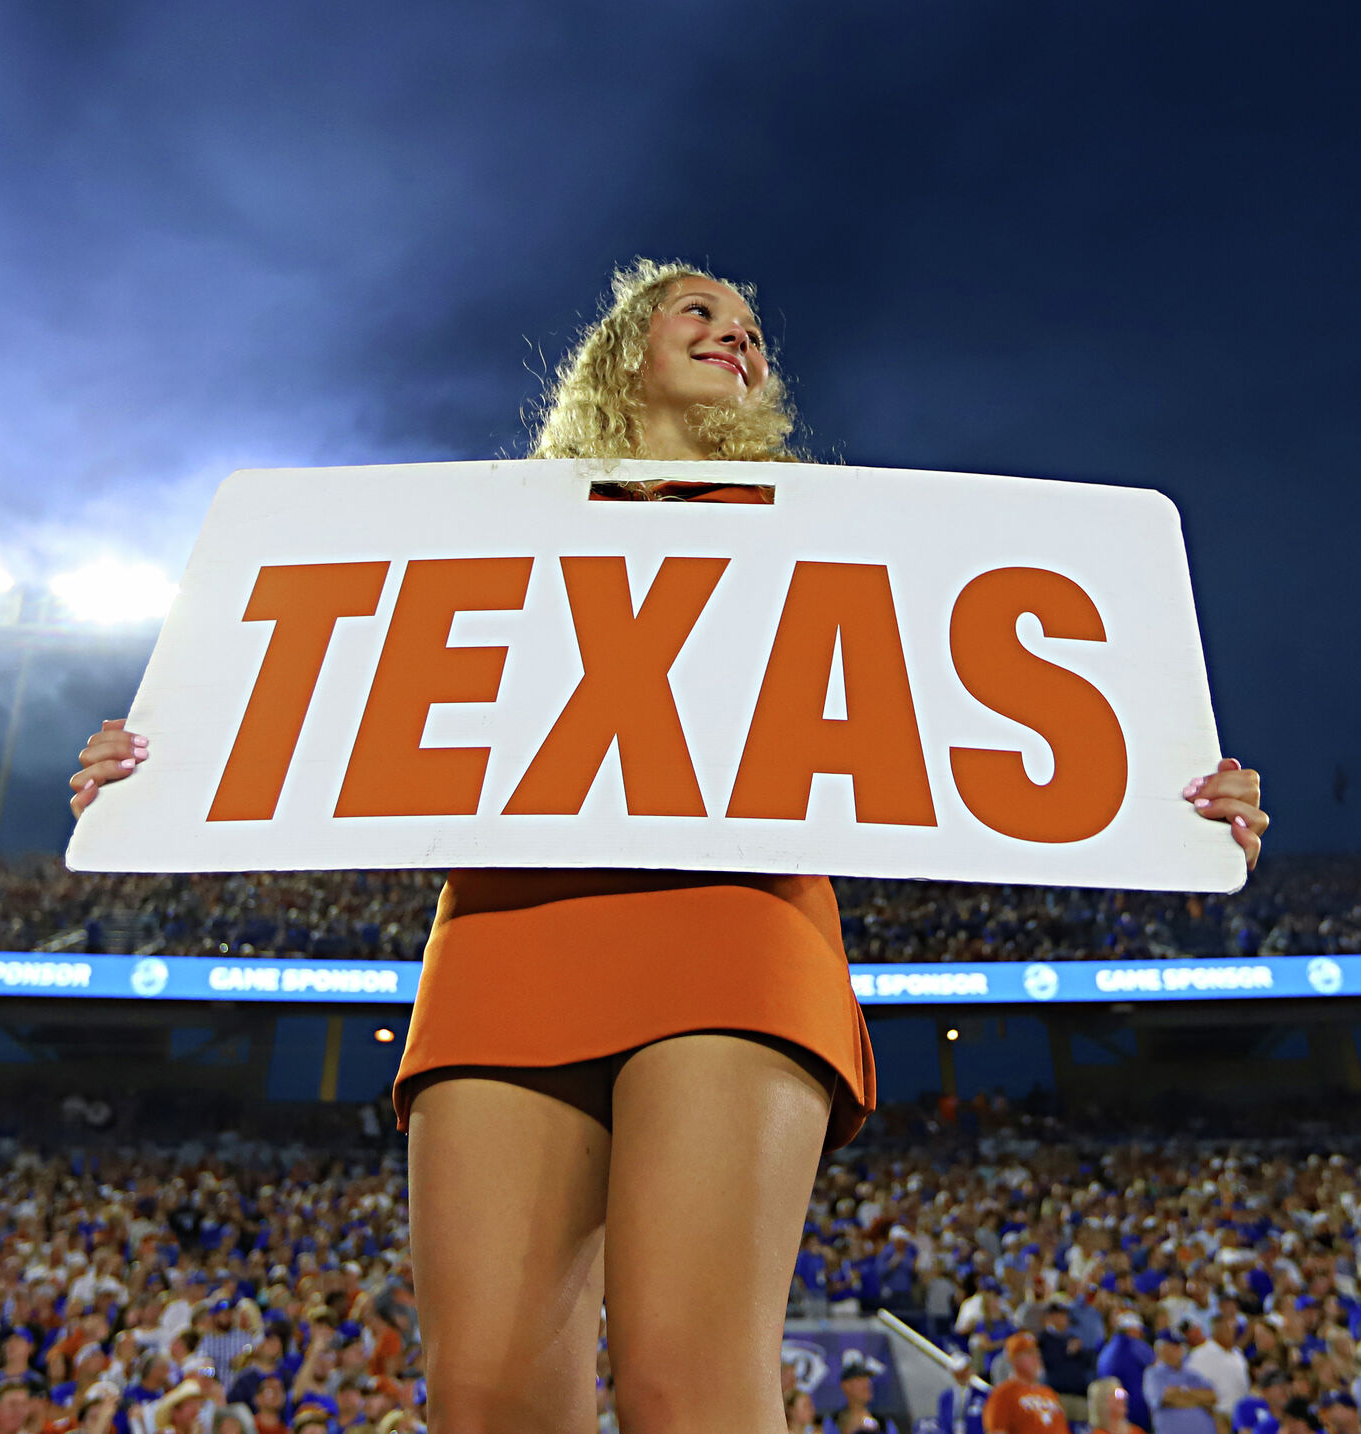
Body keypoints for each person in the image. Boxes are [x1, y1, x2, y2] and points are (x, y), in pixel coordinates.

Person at [67, 260, 1271, 1434]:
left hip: (735, 927)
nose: (735, 335)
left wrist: (1172, 791)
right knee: (481, 1395)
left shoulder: (844, 537)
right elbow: (329, 710)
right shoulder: (492, 536)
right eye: (699, 312)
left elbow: (1010, 727)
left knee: (681, 1390)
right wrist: (166, 764)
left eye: (750, 327)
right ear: (621, 351)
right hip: (506, 935)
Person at [985, 1333, 1068, 1433]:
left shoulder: (1049, 1393)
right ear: (1014, 1359)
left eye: (1037, 1352)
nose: (1036, 1358)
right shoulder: (1003, 1394)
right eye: (1029, 1353)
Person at [1144, 1331, 1219, 1434]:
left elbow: (1212, 1396)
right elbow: (1165, 1399)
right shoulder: (1153, 1374)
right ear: (1161, 1350)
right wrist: (1198, 1401)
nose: (1179, 1351)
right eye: (1173, 1347)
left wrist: (1182, 1392)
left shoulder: (1192, 1374)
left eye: (1180, 1347)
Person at [939, 1355, 986, 1434]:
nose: (961, 1375)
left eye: (965, 1370)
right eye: (957, 1373)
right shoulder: (945, 1398)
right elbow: (943, 1424)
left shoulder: (984, 1395)